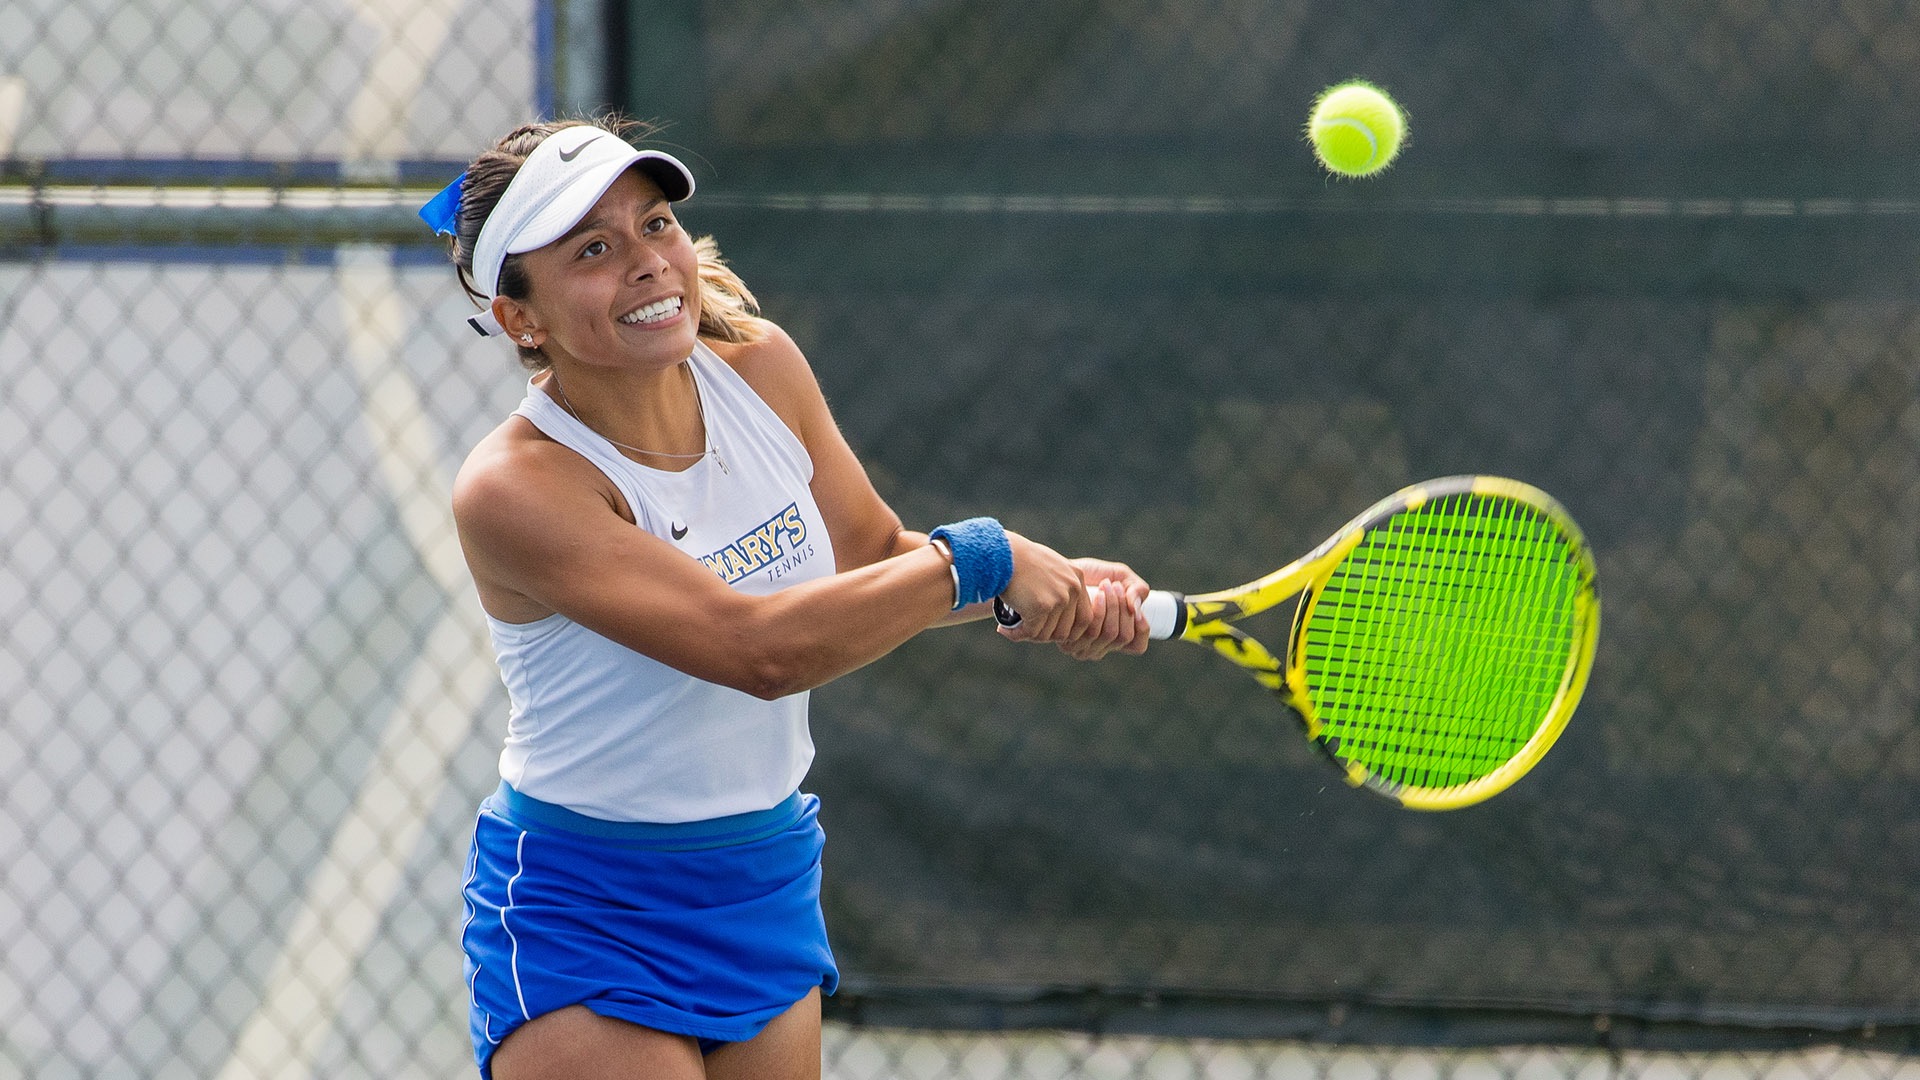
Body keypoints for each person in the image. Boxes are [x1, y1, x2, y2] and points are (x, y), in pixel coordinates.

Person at [420, 116, 1152, 1080]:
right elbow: (758, 652)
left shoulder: (761, 365)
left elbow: (875, 559)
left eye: (654, 225)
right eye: (593, 249)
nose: (646, 263)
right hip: (589, 911)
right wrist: (981, 558)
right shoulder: (516, 488)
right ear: (523, 319)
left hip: (761, 881)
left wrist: (1042, 592)